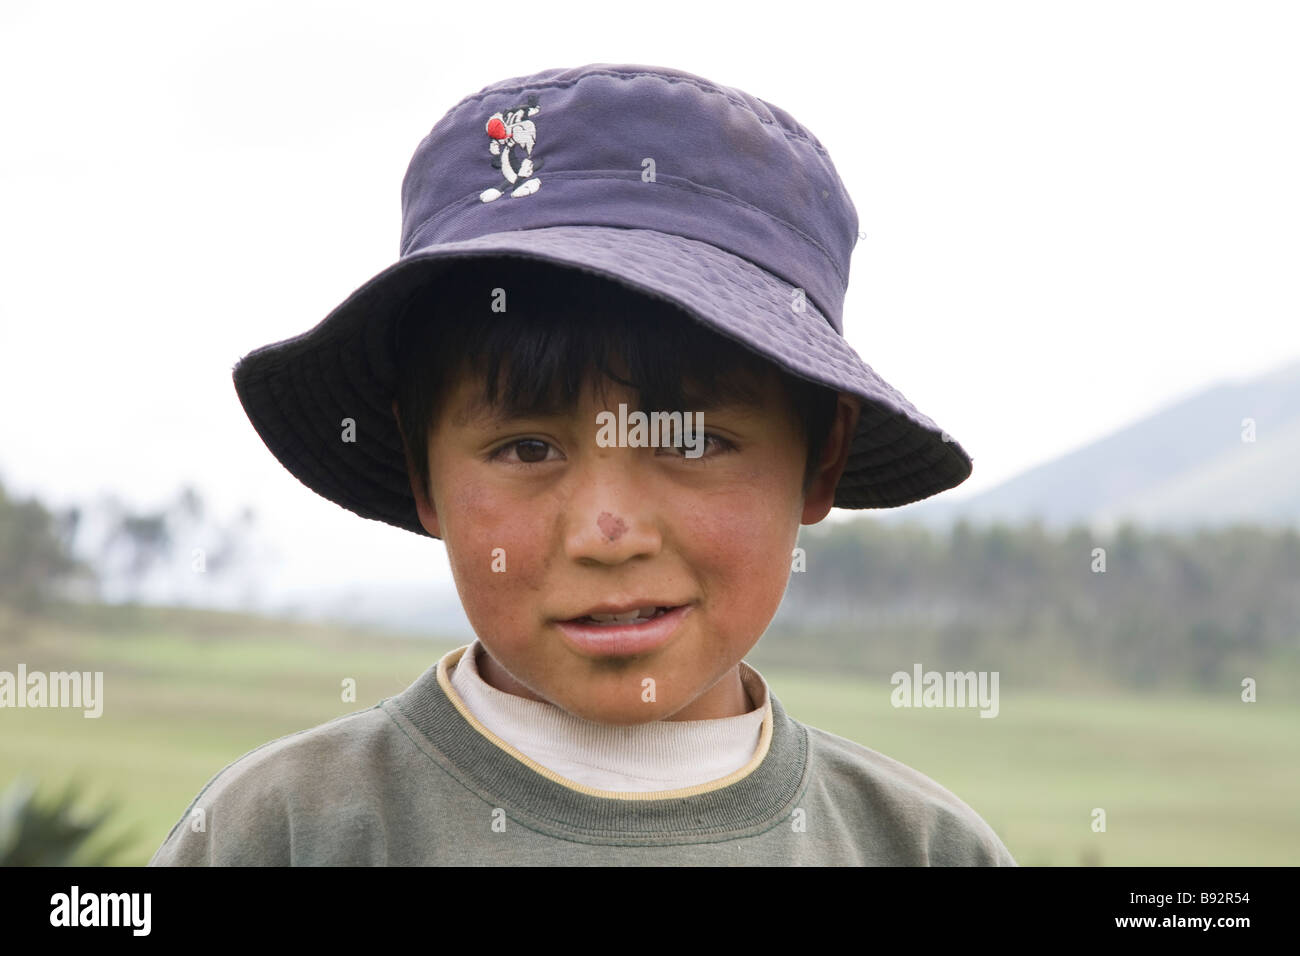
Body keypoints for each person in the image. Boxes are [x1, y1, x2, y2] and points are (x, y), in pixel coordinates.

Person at [149, 62, 1015, 865]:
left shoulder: (919, 849)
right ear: (422, 472)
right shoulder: (284, 834)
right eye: (527, 448)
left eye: (692, 439)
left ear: (819, 460)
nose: (609, 534)